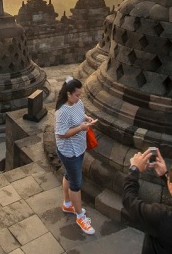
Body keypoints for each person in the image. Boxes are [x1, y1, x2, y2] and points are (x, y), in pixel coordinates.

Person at [54, 77, 98, 235]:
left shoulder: (77, 103)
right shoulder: (62, 112)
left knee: (69, 175)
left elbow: (80, 113)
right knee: (76, 183)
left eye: (80, 95)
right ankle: (80, 216)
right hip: (69, 151)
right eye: (77, 95)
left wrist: (86, 119)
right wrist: (81, 127)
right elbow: (61, 134)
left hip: (79, 147)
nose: (79, 98)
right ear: (68, 94)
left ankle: (67, 203)